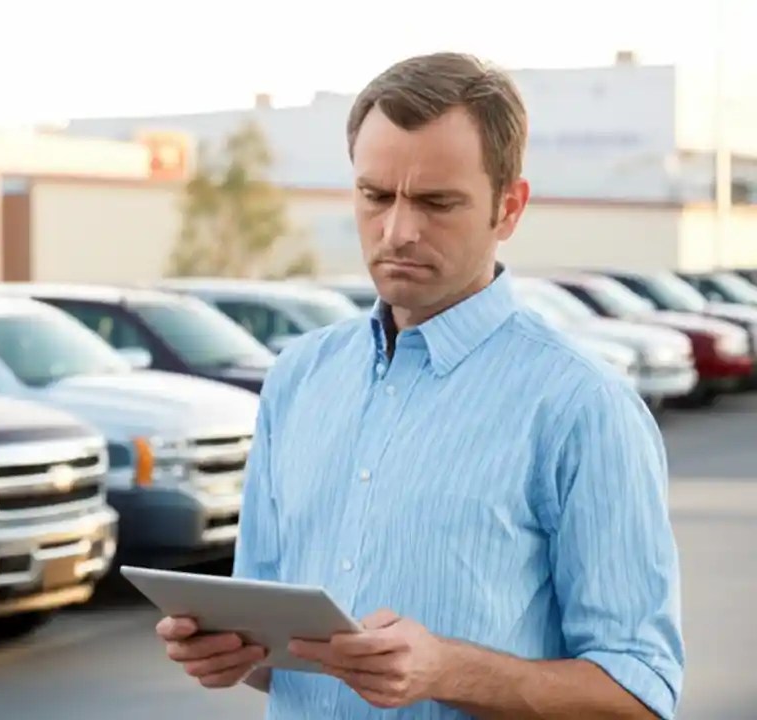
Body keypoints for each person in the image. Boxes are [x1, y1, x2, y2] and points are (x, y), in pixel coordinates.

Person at [154, 52, 684, 719]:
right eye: (375, 196)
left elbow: (641, 697)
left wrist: (450, 672)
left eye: (437, 203)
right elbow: (277, 648)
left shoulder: (583, 407)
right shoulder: (299, 378)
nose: (398, 231)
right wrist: (232, 652)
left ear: (509, 208)